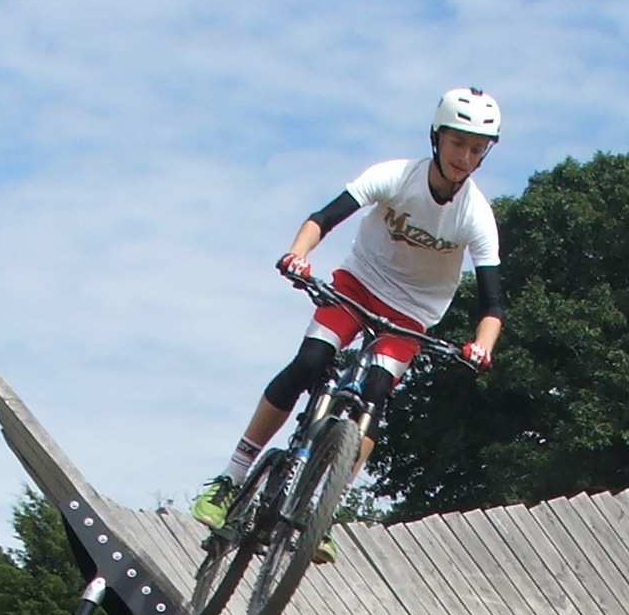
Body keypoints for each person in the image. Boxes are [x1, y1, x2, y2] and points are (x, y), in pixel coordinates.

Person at [192, 87, 505, 559]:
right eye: (457, 143)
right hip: (357, 284)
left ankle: (321, 513)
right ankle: (229, 479)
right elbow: (323, 218)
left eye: (476, 148)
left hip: (412, 313)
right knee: (311, 360)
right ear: (437, 138)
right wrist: (298, 254)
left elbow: (492, 304)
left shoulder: (476, 216)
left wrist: (482, 346)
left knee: (375, 396)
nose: (464, 157)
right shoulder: (396, 176)